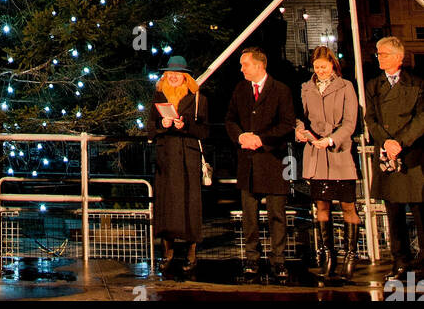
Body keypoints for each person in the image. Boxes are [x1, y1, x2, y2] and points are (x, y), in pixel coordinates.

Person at [225, 47, 296, 281]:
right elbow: (230, 119)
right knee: (250, 216)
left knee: (277, 214)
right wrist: (240, 136)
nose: (241, 68)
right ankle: (252, 258)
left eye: (245, 64)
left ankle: (279, 260)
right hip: (248, 162)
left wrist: (261, 140)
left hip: (274, 161)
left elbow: (287, 124)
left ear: (259, 65)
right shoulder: (240, 89)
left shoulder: (281, 90)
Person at [296, 45, 360, 277]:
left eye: (324, 66)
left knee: (347, 206)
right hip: (315, 154)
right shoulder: (306, 88)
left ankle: (351, 255)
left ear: (332, 64)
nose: (320, 71)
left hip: (339, 153)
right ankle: (328, 255)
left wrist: (332, 140)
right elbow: (301, 117)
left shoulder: (346, 87)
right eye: (316, 67)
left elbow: (350, 122)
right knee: (321, 206)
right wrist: (300, 131)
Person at [364, 36, 424, 279]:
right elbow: (370, 118)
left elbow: (421, 118)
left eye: (384, 54)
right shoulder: (373, 85)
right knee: (393, 211)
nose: (379, 57)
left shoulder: (417, 84)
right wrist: (386, 141)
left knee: (420, 212)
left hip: (411, 156)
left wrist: (400, 142)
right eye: (378, 54)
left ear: (398, 57)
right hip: (387, 156)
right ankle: (400, 259)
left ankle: (422, 261)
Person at [145, 54, 209, 273]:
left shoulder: (198, 97)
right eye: (170, 73)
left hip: (188, 159)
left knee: (190, 206)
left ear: (185, 77)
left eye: (177, 74)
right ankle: (168, 253)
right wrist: (162, 124)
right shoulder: (158, 96)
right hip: (166, 159)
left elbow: (205, 131)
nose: (173, 77)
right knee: (166, 207)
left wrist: (186, 126)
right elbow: (150, 128)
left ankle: (191, 254)